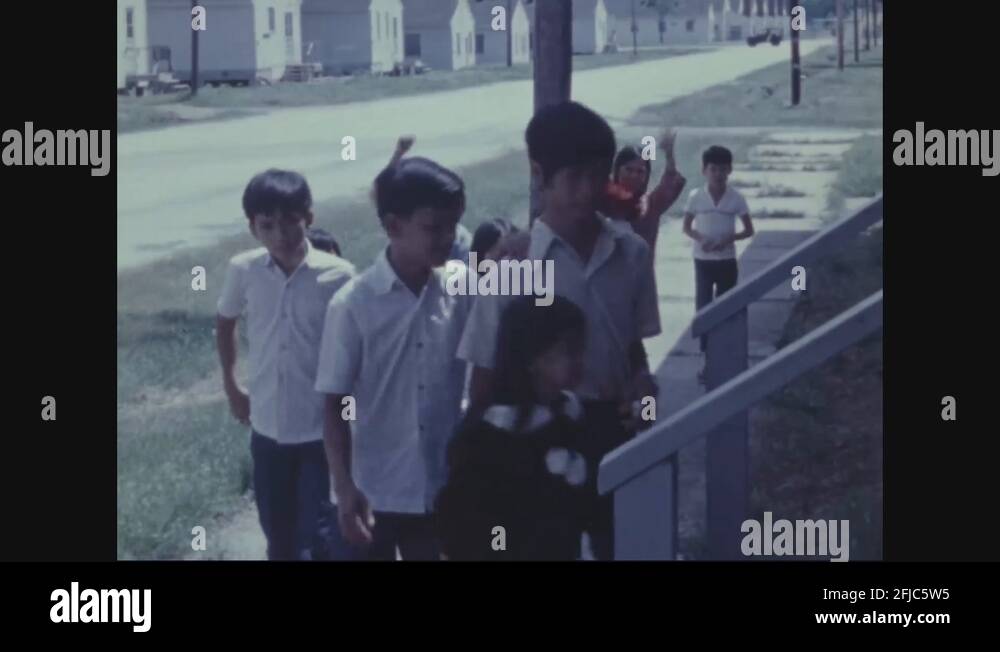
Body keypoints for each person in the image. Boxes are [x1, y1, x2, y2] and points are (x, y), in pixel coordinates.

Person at [458, 101, 662, 560]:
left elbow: (633, 352)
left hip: (613, 433)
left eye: (596, 175)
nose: (587, 191)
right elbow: (484, 382)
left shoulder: (631, 252)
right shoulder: (514, 264)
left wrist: (645, 395)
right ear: (538, 173)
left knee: (617, 544)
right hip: (533, 438)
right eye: (572, 177)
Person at [315, 156, 474, 561]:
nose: (447, 238)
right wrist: (344, 486)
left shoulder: (463, 289)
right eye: (433, 228)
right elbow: (334, 402)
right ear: (392, 226)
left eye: (453, 226)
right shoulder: (354, 305)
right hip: (373, 487)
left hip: (439, 484)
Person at [216, 169, 356, 561]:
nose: (280, 234)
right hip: (268, 429)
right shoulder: (243, 270)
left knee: (323, 532)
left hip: (320, 432)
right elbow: (225, 322)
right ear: (252, 227)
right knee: (278, 536)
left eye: (291, 221)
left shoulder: (339, 275)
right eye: (268, 225)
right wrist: (233, 386)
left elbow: (352, 348)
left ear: (309, 217)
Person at [436, 295, 591, 560]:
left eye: (581, 349)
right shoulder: (484, 442)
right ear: (532, 358)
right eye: (569, 350)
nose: (581, 360)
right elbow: (465, 533)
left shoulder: (569, 418)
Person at [682, 145, 756, 383]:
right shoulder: (696, 197)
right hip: (702, 262)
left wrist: (728, 238)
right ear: (704, 170)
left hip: (726, 262)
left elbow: (748, 230)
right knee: (703, 310)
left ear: (730, 170)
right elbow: (686, 227)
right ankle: (706, 360)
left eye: (723, 169)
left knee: (726, 311)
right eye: (713, 169)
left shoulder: (736, 198)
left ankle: (725, 360)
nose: (718, 174)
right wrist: (701, 239)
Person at [601, 129, 687, 253]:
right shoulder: (602, 201)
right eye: (629, 170)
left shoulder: (651, 204)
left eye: (640, 171)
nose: (634, 176)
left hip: (642, 271)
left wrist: (669, 154)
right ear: (617, 170)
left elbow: (671, 181)